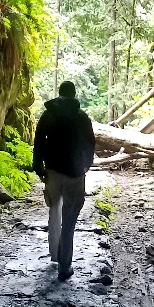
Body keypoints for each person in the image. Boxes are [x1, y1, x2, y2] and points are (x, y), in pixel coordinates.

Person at [32, 80, 95, 280]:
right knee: (69, 220)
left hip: (52, 170)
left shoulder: (49, 114)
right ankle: (65, 266)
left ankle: (54, 255)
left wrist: (38, 166)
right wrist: (87, 164)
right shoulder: (81, 117)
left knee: (54, 211)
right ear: (75, 95)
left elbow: (39, 141)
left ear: (59, 94)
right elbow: (90, 143)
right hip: (75, 173)